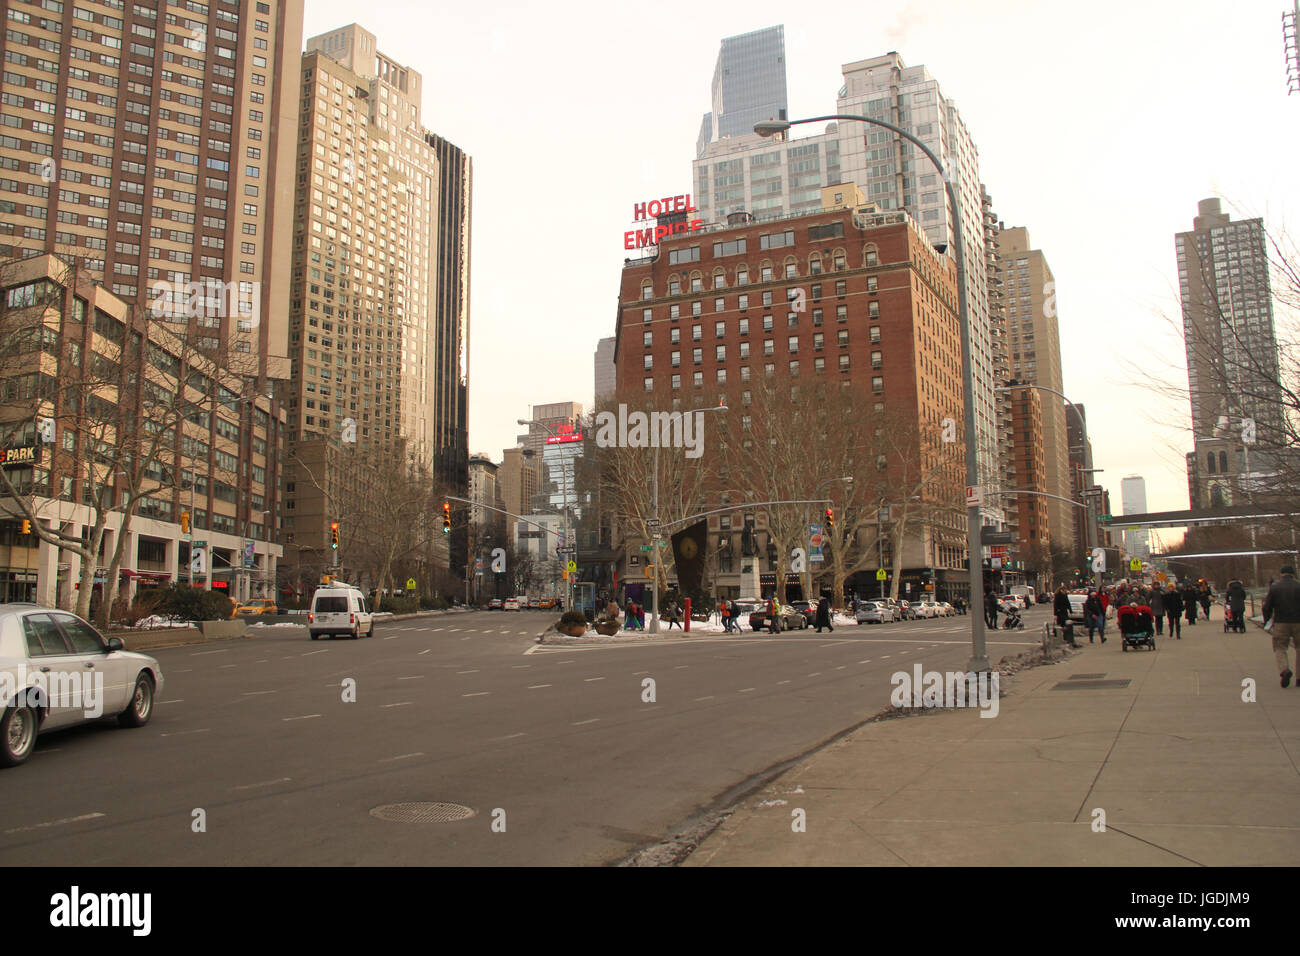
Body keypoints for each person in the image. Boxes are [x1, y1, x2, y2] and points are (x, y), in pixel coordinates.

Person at [1263, 565, 1300, 687]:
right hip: (1298, 622)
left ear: (1281, 574)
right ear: (1293, 574)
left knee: (1280, 648)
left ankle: (1284, 670)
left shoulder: (1275, 588)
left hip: (1280, 622)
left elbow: (1267, 607)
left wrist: (1267, 620)